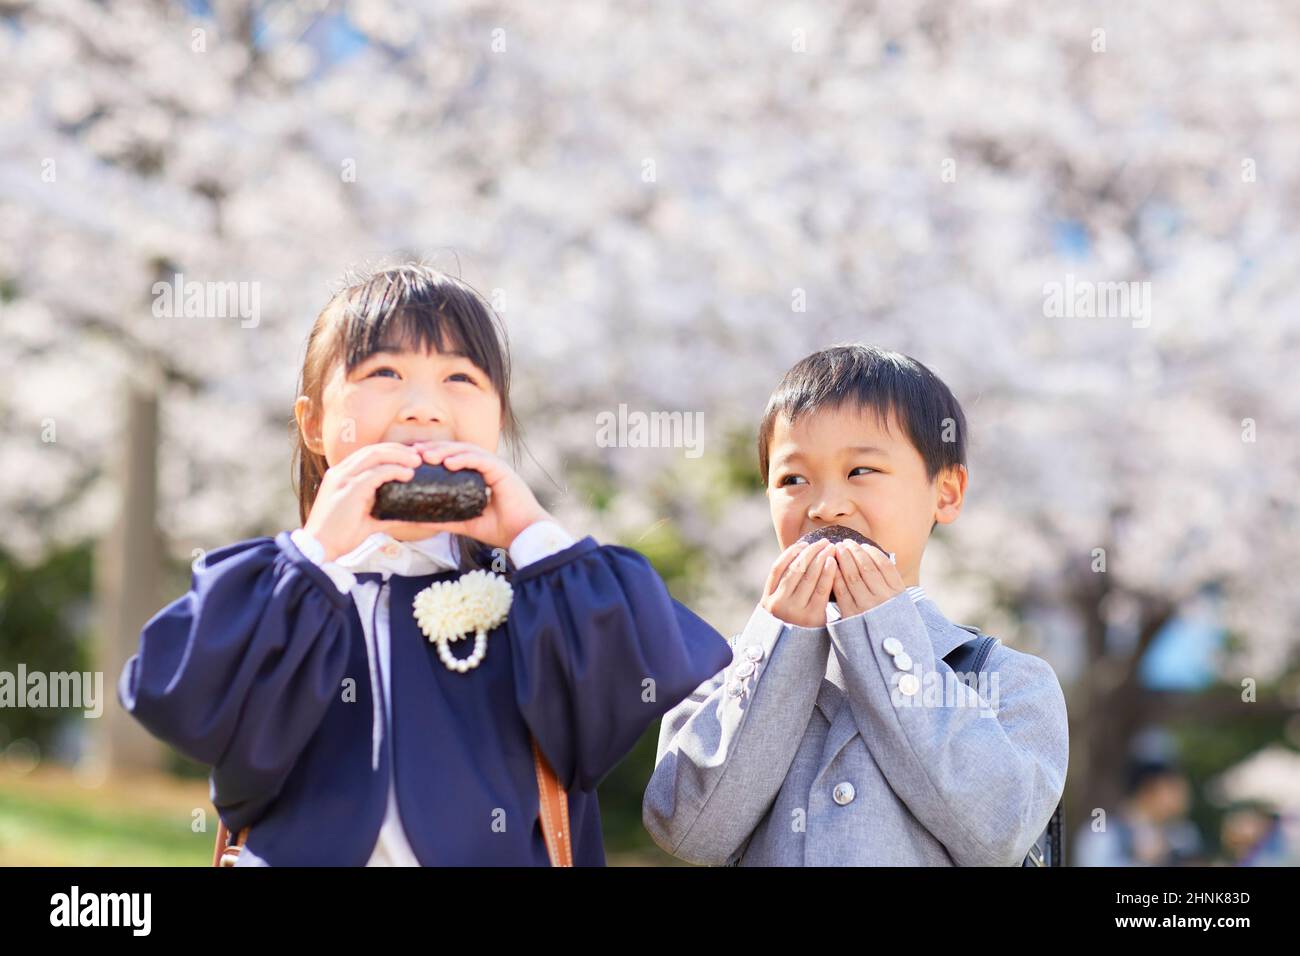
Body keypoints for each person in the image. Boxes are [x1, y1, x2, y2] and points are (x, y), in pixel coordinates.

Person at [118, 262, 732, 865]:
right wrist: (313, 554)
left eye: (460, 379)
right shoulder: (281, 588)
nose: (423, 408)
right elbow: (178, 697)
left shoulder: (537, 594)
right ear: (313, 423)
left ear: (498, 419)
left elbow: (646, 671)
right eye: (384, 371)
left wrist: (531, 534)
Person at [643, 344, 1069, 865]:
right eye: (792, 480)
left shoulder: (1010, 680)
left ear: (947, 491)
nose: (826, 506)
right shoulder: (722, 675)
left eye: (861, 470)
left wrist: (884, 632)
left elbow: (999, 832)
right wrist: (780, 644)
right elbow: (690, 831)